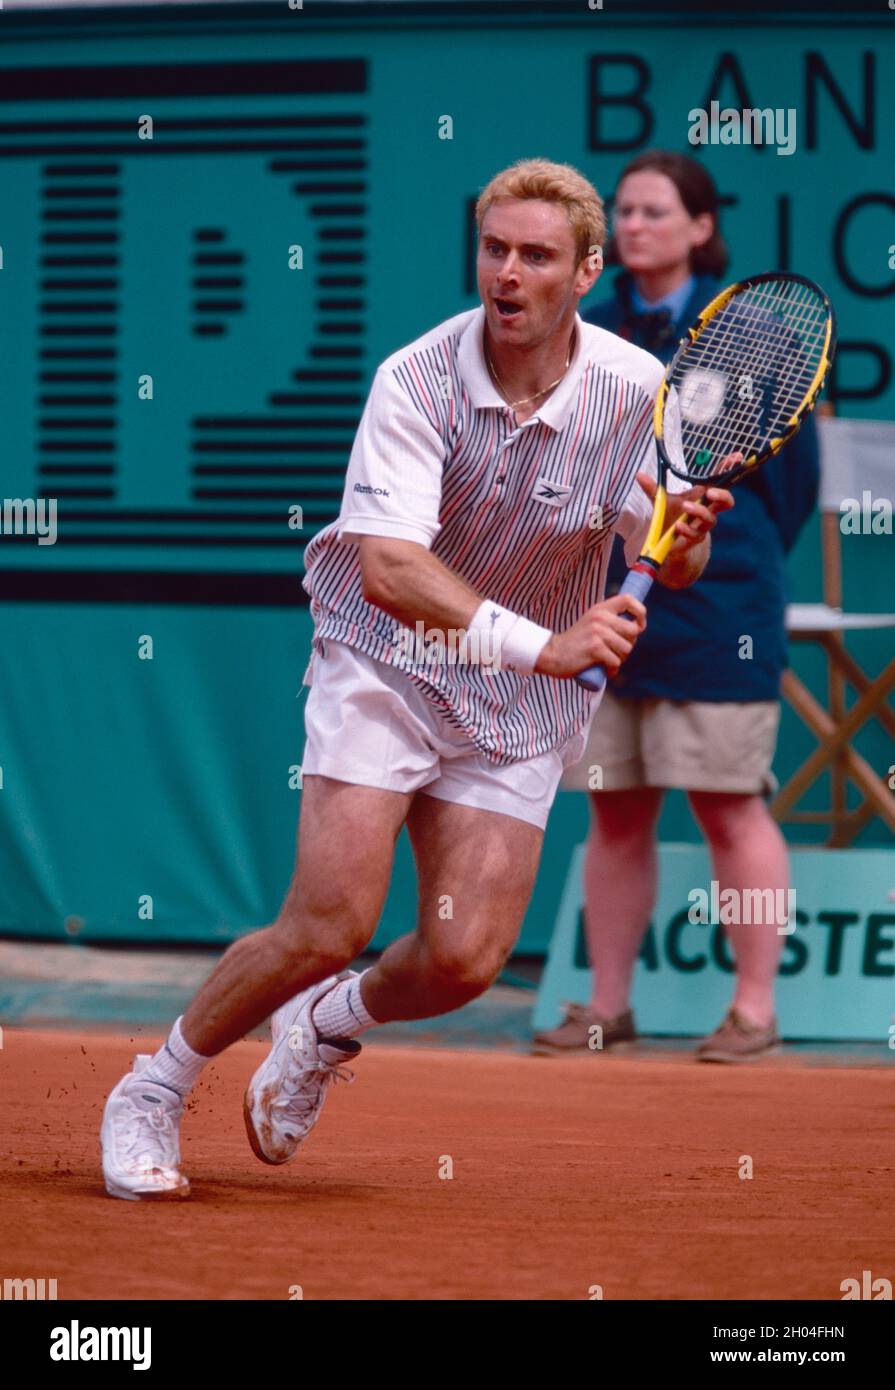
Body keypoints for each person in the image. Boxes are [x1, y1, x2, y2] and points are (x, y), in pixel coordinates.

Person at [99, 157, 733, 1200]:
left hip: (517, 701)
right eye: (494, 250)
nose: (508, 273)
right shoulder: (416, 378)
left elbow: (665, 544)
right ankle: (154, 1087)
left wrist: (688, 536)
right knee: (331, 918)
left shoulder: (636, 391)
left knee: (462, 958)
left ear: (584, 272)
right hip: (390, 659)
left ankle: (323, 1026)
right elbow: (391, 568)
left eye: (536, 256)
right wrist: (547, 644)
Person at [532, 150, 819, 1064]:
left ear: (700, 227)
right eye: (622, 210)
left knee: (728, 805)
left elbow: (793, 486)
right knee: (615, 811)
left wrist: (710, 550)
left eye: (655, 211)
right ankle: (605, 1010)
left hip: (722, 615)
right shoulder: (587, 328)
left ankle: (754, 1008)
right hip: (610, 608)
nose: (632, 225)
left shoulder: (753, 337)